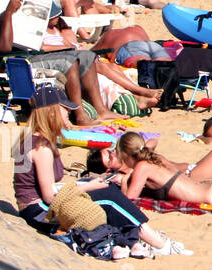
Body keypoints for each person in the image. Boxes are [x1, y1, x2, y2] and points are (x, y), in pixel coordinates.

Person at [14, 89, 185, 255]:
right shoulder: (41, 148)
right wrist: (89, 187)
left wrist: (86, 183)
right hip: (39, 211)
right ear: (51, 112)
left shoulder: (32, 139)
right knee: (108, 196)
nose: (68, 113)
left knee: (103, 188)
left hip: (34, 208)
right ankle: (158, 243)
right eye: (65, 109)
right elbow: (50, 196)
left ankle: (137, 239)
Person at [0, 0, 156, 122]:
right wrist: (8, 14)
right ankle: (80, 115)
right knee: (70, 62)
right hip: (18, 65)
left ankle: (100, 110)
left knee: (87, 57)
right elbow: (5, 47)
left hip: (25, 55)